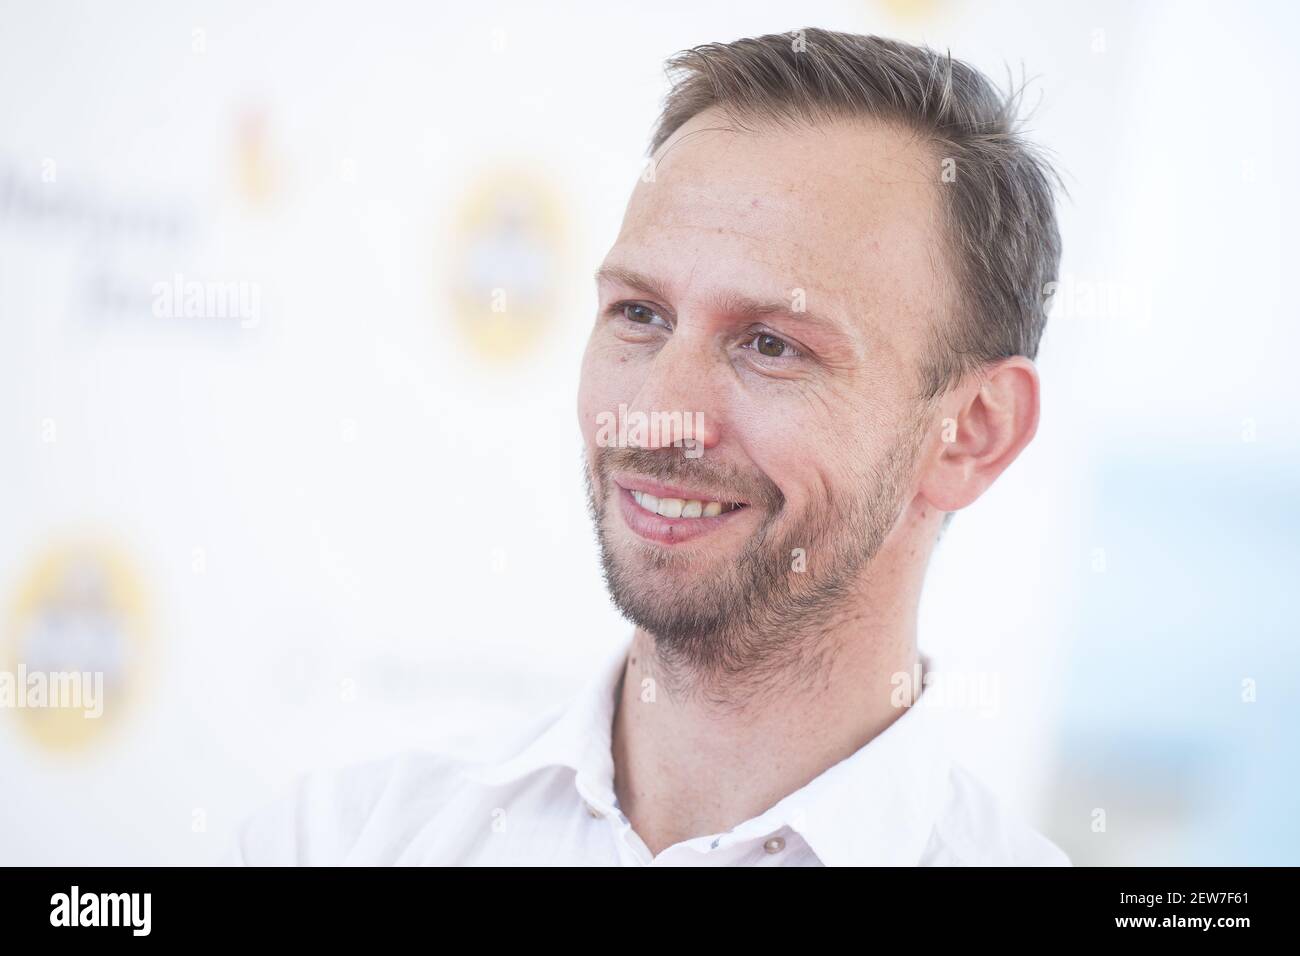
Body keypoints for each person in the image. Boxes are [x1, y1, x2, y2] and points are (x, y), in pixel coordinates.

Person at [227, 27, 1068, 866]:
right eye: (640, 316)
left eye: (771, 344)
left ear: (975, 432)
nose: (658, 412)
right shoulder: (344, 841)